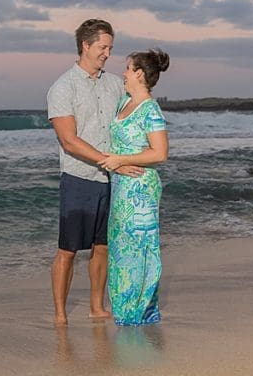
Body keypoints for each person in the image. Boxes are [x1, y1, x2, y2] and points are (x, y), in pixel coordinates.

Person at [47, 19, 143, 326]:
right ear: (85, 46)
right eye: (102, 47)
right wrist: (111, 161)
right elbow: (69, 141)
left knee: (103, 246)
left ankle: (96, 306)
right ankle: (60, 314)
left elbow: (135, 113)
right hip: (78, 178)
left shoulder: (115, 84)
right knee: (68, 250)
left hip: (111, 178)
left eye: (110, 48)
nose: (107, 54)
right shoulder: (63, 87)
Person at [98, 48, 169, 326]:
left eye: (128, 68)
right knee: (120, 246)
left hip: (141, 189)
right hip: (121, 186)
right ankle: (124, 311)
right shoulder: (124, 102)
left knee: (140, 247)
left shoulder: (150, 109)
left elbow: (160, 153)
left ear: (139, 73)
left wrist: (121, 160)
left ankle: (139, 311)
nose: (124, 73)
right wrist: (116, 164)